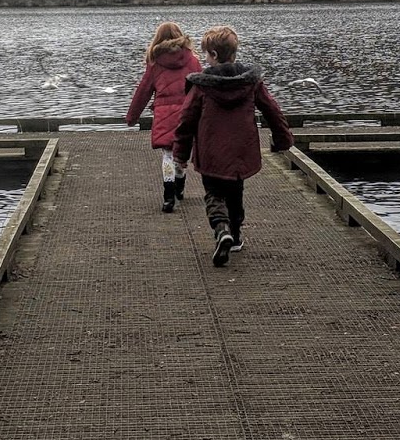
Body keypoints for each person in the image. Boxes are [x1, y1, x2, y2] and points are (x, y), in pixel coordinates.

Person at [173, 25, 294, 267]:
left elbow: (186, 121)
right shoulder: (251, 83)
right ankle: (236, 236)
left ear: (214, 56)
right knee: (236, 191)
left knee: (214, 193)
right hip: (241, 150)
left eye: (206, 54)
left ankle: (221, 229)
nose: (205, 58)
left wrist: (180, 154)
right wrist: (283, 139)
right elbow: (272, 110)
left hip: (210, 151)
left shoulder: (202, 86)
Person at [124, 22, 202, 212]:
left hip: (164, 114)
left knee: (167, 154)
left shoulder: (155, 63)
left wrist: (132, 116)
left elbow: (143, 91)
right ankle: (180, 185)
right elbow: (202, 87)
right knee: (183, 152)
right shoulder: (192, 60)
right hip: (187, 114)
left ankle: (168, 197)